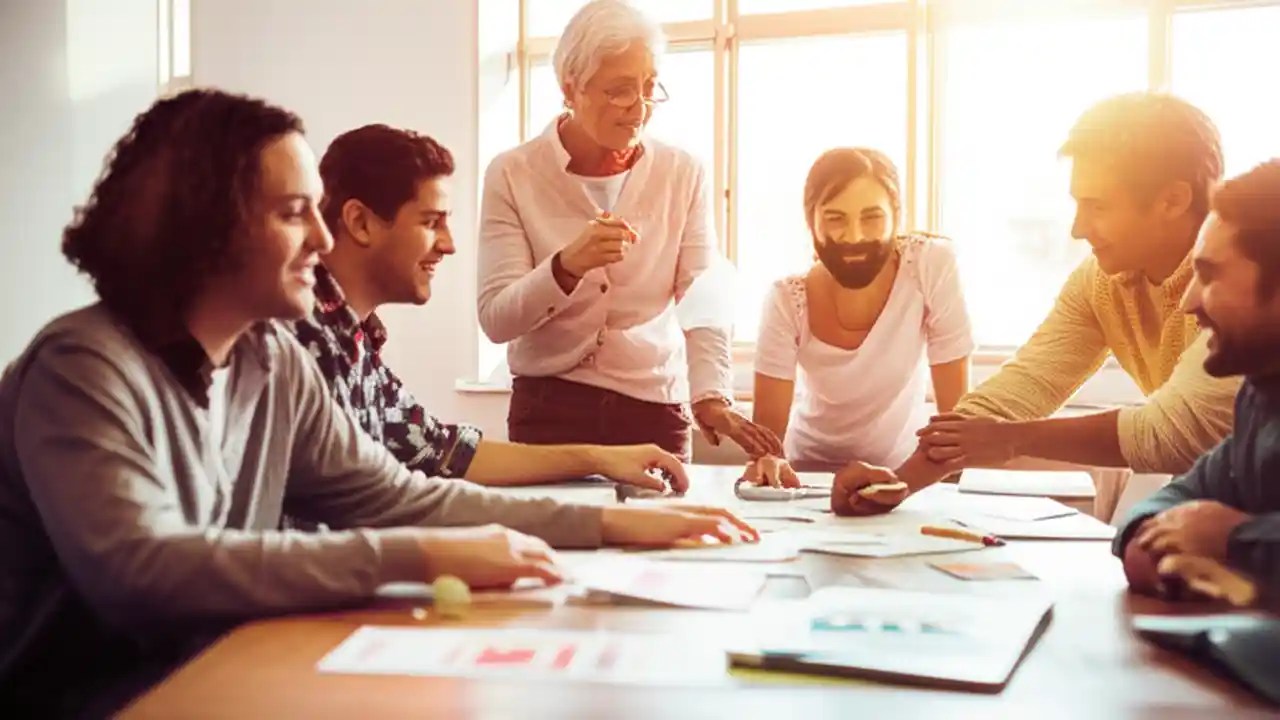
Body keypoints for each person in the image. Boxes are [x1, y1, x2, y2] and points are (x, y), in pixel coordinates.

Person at [0, 89, 756, 715]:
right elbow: (143, 569)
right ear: (204, 222)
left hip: (215, 674)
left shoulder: (269, 360)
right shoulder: (82, 366)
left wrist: (607, 521)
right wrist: (422, 555)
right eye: (296, 212)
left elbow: (397, 494)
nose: (324, 236)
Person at [828, 92, 1244, 518]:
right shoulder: (1104, 280)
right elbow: (1027, 383)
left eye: (1097, 206)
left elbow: (1173, 432)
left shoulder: (1246, 279)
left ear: (1172, 201)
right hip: (1219, 487)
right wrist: (899, 481)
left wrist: (1011, 439)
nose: (1079, 228)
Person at [292, 123, 690, 492]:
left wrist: (600, 459)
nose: (448, 244)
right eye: (431, 222)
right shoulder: (306, 341)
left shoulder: (353, 336)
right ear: (360, 222)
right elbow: (369, 502)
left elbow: (440, 449)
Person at [476, 0, 780, 462]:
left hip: (654, 409)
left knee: (670, 533)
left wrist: (712, 395)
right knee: (557, 534)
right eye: (620, 90)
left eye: (649, 87)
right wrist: (565, 267)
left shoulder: (682, 172)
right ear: (569, 88)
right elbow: (497, 319)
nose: (639, 109)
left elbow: (702, 296)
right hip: (550, 408)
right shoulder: (512, 173)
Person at [743, 148, 973, 488]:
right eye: (835, 219)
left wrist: (933, 484)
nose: (854, 237)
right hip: (808, 476)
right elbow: (767, 445)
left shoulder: (929, 265)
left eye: (872, 217)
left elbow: (955, 421)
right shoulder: (786, 299)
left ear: (897, 216)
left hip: (901, 474)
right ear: (812, 222)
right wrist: (765, 465)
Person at [1115, 160, 1280, 601]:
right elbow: (1183, 497)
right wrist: (1153, 540)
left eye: (1209, 276)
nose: (1188, 305)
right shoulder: (1260, 394)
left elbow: (1209, 530)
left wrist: (1235, 540)